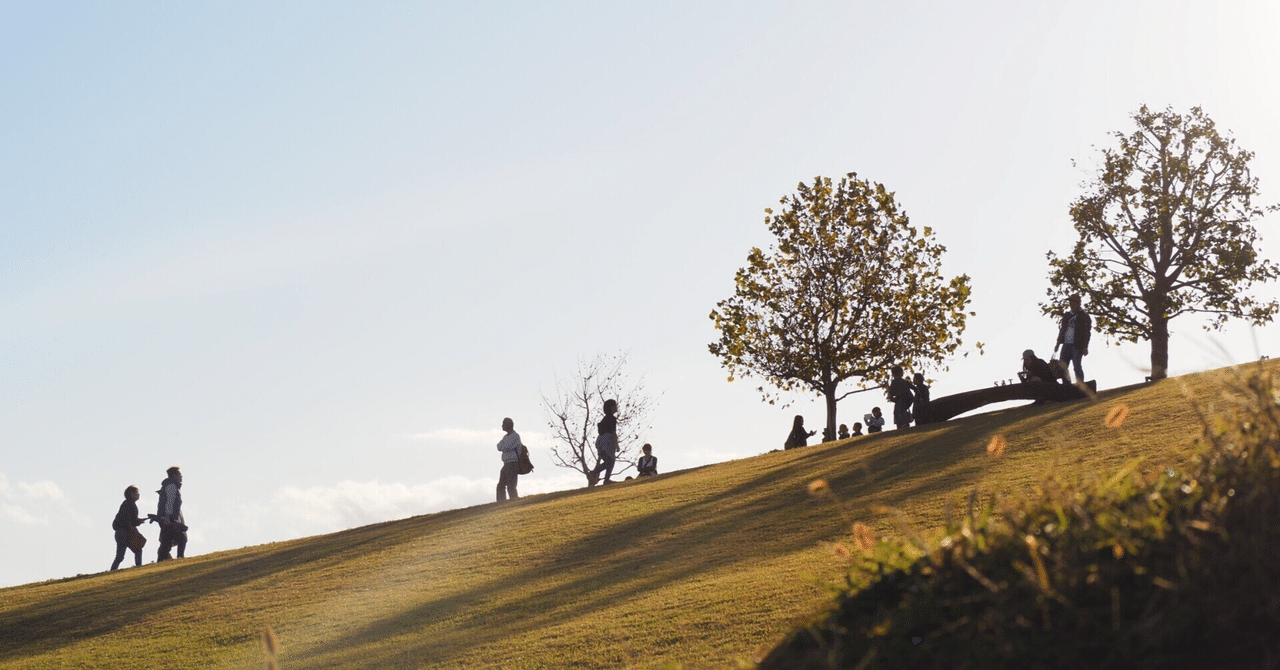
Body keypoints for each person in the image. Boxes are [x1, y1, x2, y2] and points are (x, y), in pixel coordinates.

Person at [1054, 294, 1092, 384]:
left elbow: (1087, 333)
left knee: (1077, 366)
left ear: (1078, 303)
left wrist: (1085, 346)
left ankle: (1081, 385)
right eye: (1070, 302)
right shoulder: (1067, 315)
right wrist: (1058, 343)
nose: (1070, 304)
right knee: (1063, 366)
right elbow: (1062, 330)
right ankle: (1067, 385)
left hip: (1077, 344)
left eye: (1072, 302)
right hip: (1066, 344)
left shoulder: (1084, 316)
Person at [110, 485, 147, 570]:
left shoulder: (125, 503)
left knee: (120, 556)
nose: (138, 495)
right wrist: (138, 522)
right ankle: (139, 568)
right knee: (138, 549)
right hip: (127, 532)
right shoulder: (131, 504)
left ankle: (112, 570)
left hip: (120, 532)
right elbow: (130, 520)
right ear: (131, 494)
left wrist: (137, 521)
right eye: (136, 493)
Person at [154, 466, 186, 561]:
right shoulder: (171, 486)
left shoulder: (169, 485)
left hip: (166, 518)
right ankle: (180, 558)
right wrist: (168, 518)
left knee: (166, 543)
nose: (181, 476)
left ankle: (160, 561)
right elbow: (170, 503)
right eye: (180, 474)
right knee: (182, 538)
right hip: (168, 518)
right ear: (174, 475)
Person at [589, 399, 619, 486]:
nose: (616, 407)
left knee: (608, 461)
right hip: (608, 440)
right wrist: (616, 444)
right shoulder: (612, 419)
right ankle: (603, 477)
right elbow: (613, 432)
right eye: (615, 405)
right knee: (611, 461)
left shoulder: (604, 419)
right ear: (611, 407)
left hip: (600, 441)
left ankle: (599, 475)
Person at [496, 417, 521, 502]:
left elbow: (505, 447)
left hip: (513, 463)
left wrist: (504, 447)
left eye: (503, 424)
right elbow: (499, 446)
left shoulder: (515, 436)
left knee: (511, 486)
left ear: (508, 425)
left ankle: (514, 502)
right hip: (506, 463)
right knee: (501, 485)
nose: (502, 426)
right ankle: (501, 502)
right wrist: (504, 448)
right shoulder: (506, 437)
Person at [887, 366, 915, 430]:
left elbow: (891, 393)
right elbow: (914, 388)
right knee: (903, 412)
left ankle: (902, 425)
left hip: (900, 400)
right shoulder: (905, 381)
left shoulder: (894, 382)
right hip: (908, 399)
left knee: (899, 413)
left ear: (893, 374)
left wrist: (890, 394)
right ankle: (905, 424)